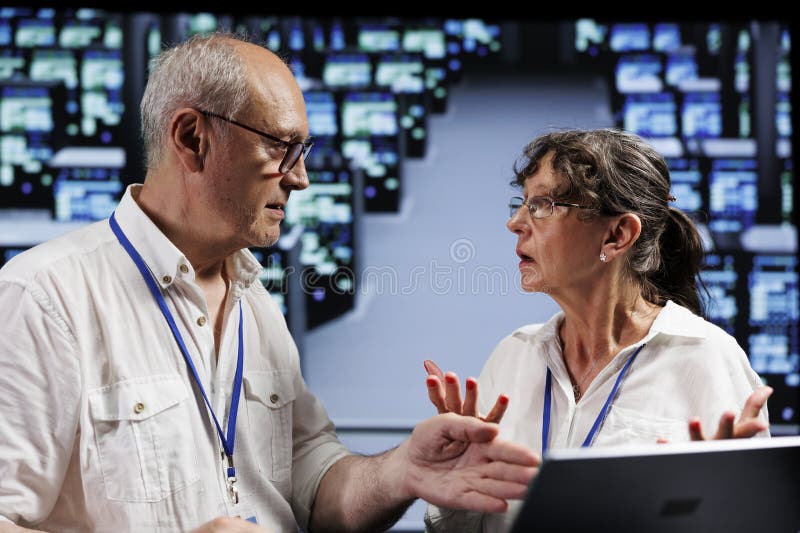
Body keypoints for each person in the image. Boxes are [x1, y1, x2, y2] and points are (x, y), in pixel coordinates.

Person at [0, 33, 540, 533]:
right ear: (192, 137)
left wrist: (404, 471)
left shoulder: (254, 302)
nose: (300, 177)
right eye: (281, 146)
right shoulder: (46, 301)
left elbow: (314, 487)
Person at [422, 128, 772, 532]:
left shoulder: (706, 358)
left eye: (542, 205)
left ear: (616, 235)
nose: (515, 223)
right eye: (522, 203)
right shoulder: (513, 357)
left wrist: (724, 507)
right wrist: (456, 487)